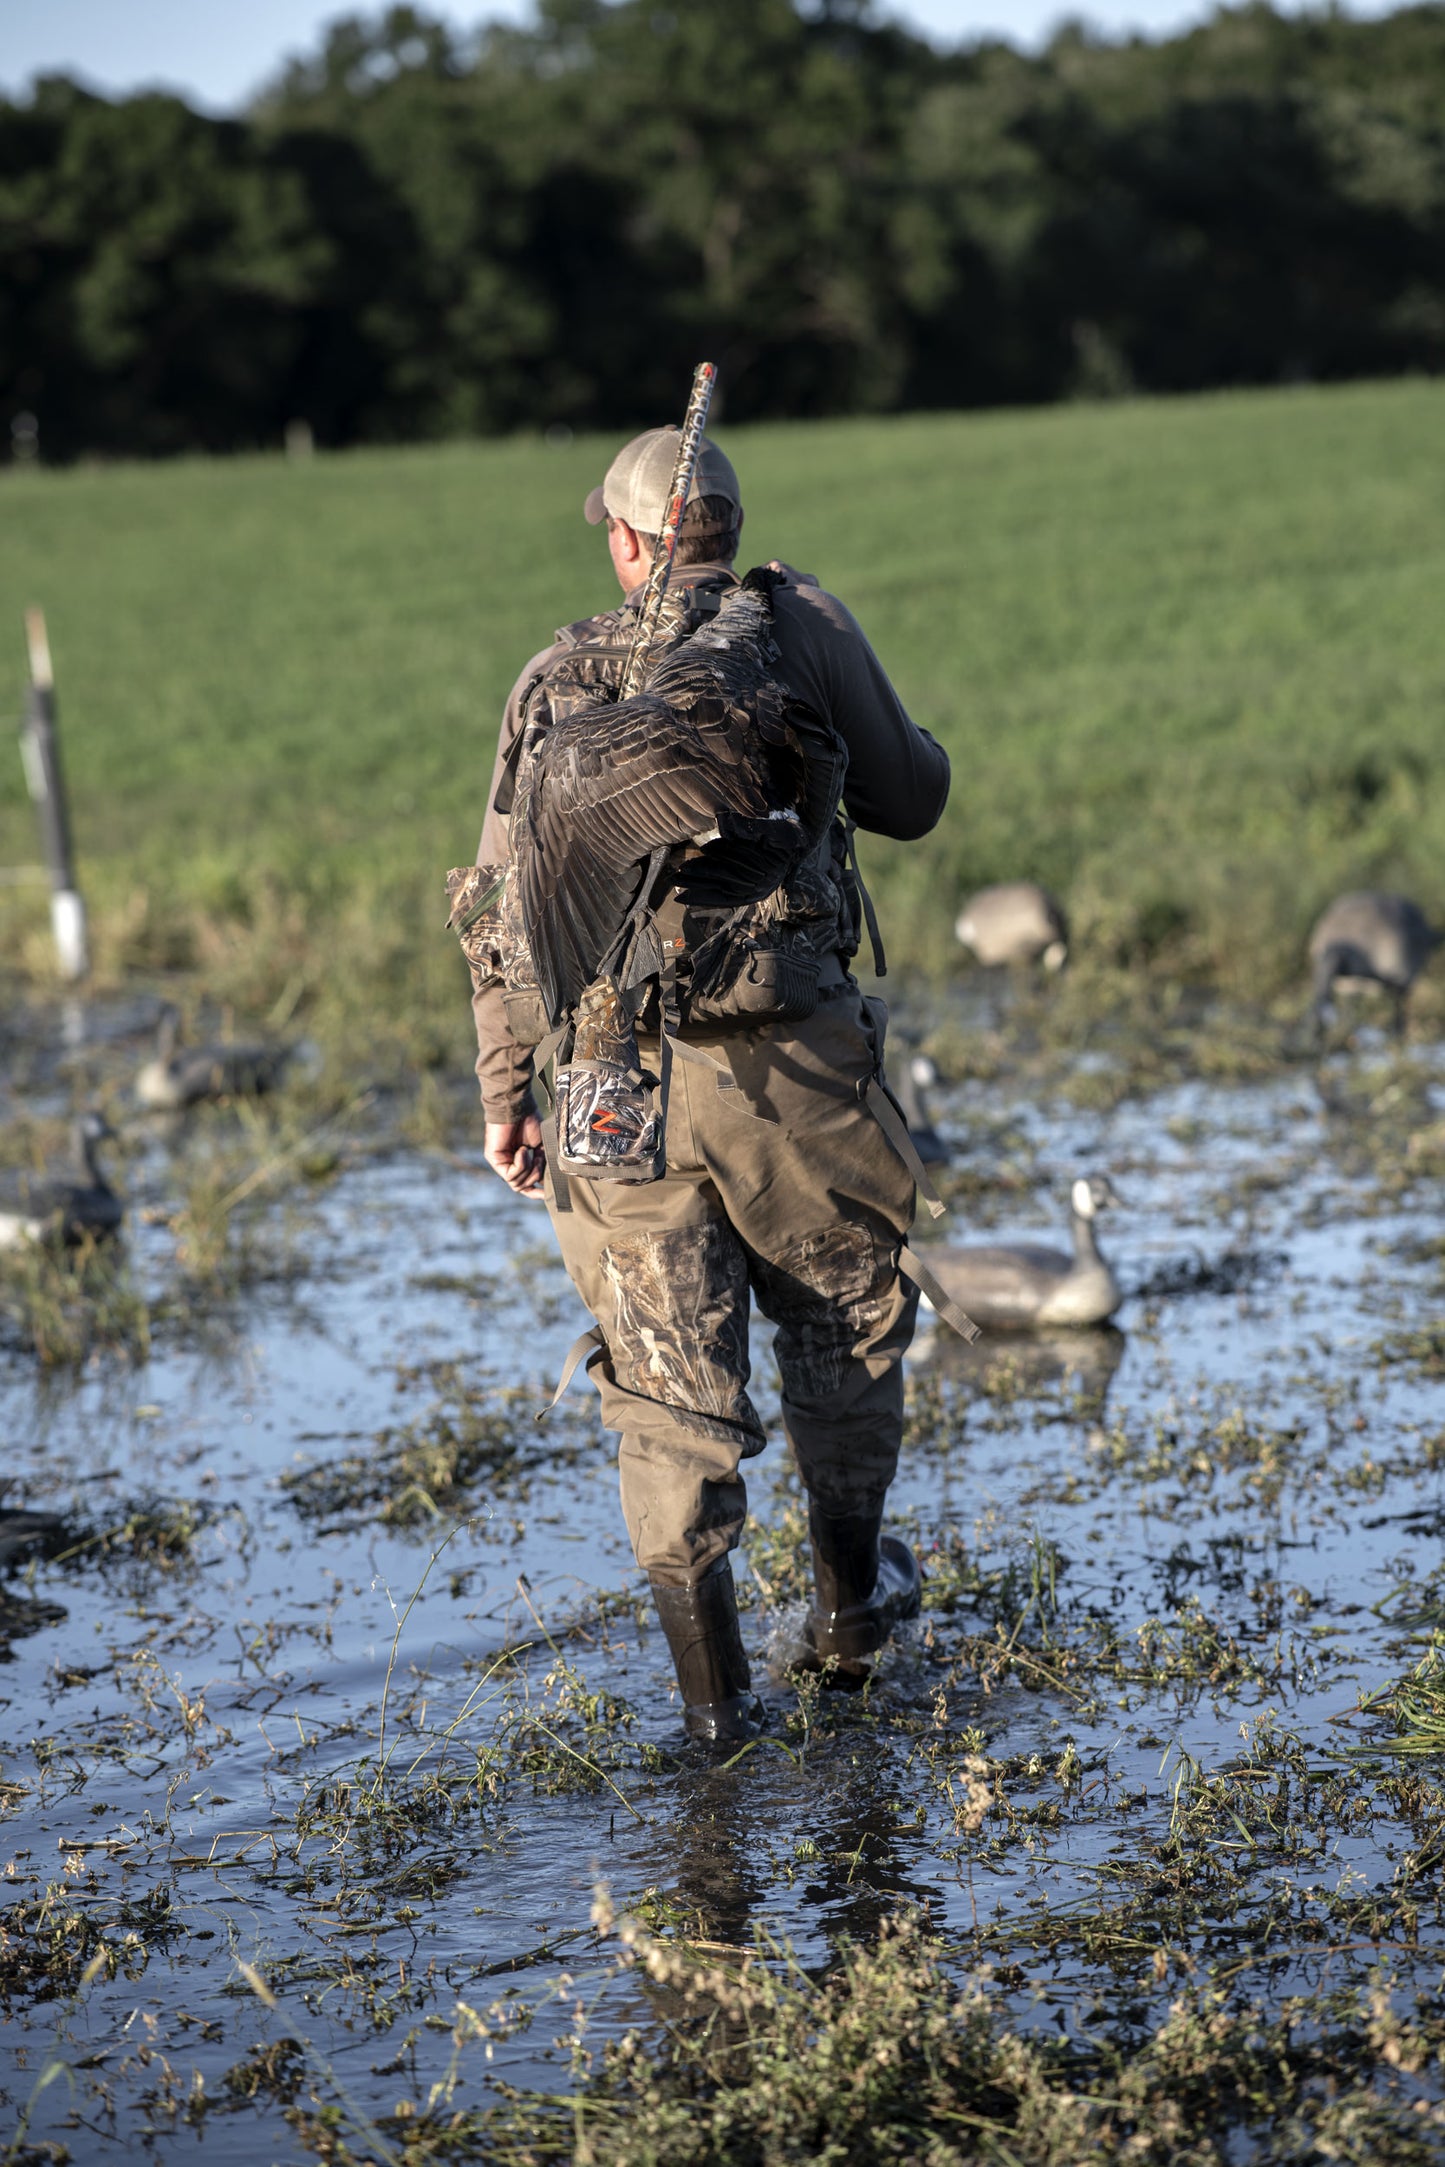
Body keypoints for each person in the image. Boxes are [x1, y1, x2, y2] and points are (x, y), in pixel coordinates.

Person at [470, 425, 951, 1742]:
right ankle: (848, 1627)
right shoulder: (793, 628)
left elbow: (500, 907)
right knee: (843, 1327)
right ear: (724, 534)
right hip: (785, 1069)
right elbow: (910, 799)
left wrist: (506, 1088)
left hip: (605, 1085)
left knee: (661, 1384)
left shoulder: (553, 674)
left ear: (624, 542)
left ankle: (711, 1715)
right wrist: (862, 683)